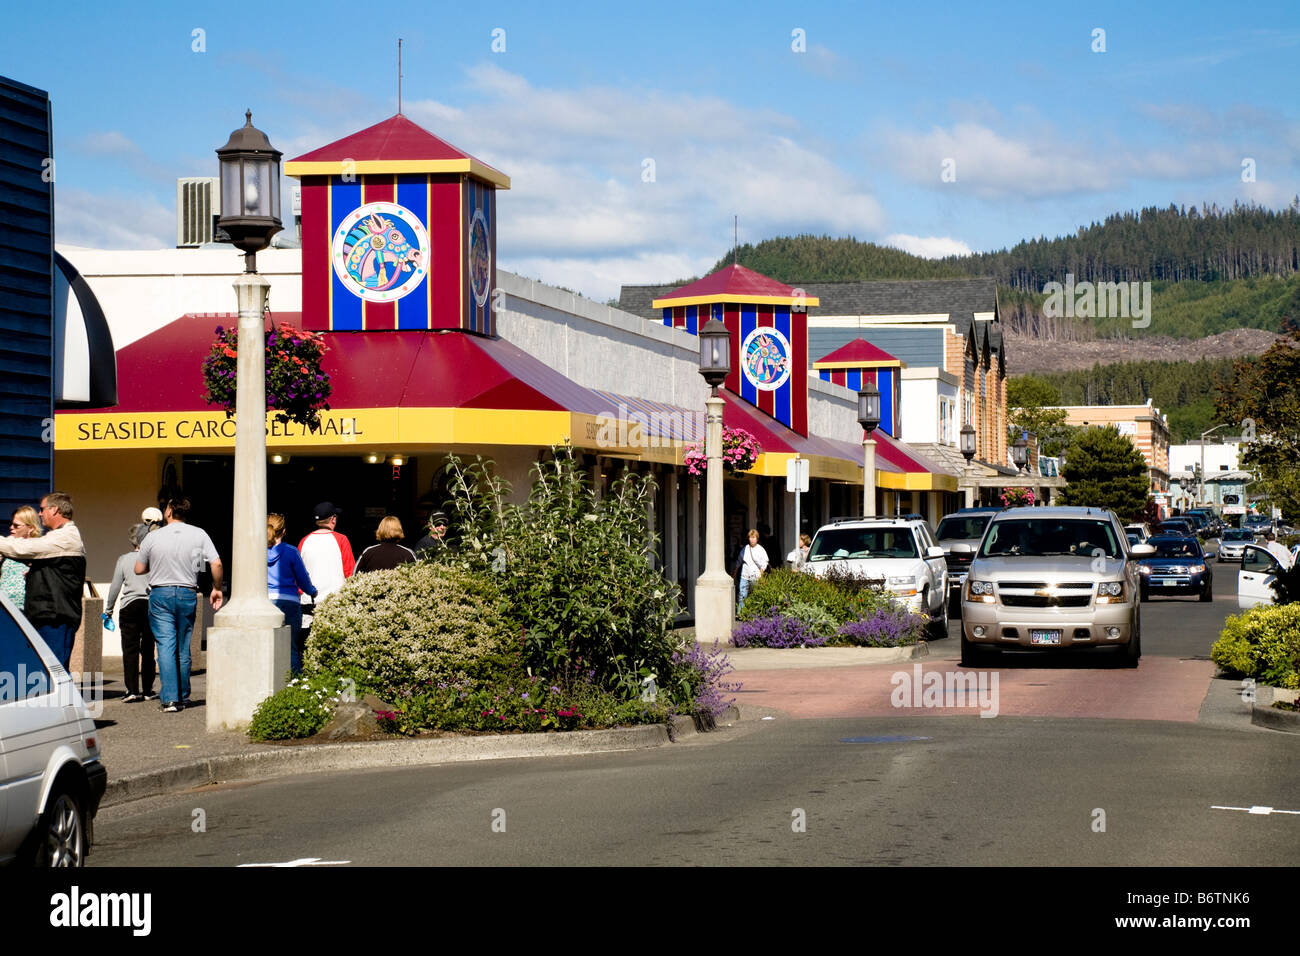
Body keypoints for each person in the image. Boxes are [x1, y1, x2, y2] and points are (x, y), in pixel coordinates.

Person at [135, 497, 222, 713]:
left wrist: (157, 566)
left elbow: (138, 568)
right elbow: (215, 563)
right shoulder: (199, 534)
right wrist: (216, 587)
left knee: (165, 646)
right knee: (183, 647)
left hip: (160, 592)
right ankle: (183, 696)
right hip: (187, 592)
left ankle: (170, 699)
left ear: (169, 512)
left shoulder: (153, 537)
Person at [0, 492, 86, 669]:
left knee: (54, 671)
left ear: (54, 510)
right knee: (43, 672)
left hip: (56, 617)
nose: (40, 514)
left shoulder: (64, 537)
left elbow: (21, 548)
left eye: (42, 509)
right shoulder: (58, 537)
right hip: (47, 615)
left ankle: (63, 699)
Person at [106, 524, 155, 702]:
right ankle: (148, 690)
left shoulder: (124, 559)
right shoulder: (153, 558)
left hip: (129, 606)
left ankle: (132, 690)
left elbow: (115, 587)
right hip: (150, 606)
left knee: (130, 649)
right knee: (149, 649)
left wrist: (108, 610)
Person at [267, 514, 316, 676]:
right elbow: (303, 579)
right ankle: (294, 686)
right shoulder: (291, 551)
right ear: (284, 531)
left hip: (266, 602)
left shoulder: (257, 552)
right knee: (291, 648)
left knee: (267, 647)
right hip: (289, 602)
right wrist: (312, 591)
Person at [1, 506, 42, 608]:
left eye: (16, 525)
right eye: (12, 524)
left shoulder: (40, 547)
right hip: (4, 607)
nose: (11, 527)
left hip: (26, 607)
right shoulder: (6, 546)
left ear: (31, 528)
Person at [735, 528, 769, 613]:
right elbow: (739, 561)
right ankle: (741, 614)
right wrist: (735, 573)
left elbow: (765, 563)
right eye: (751, 537)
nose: (752, 539)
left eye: (754, 537)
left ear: (757, 538)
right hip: (744, 576)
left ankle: (754, 613)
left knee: (755, 595)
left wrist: (761, 574)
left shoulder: (760, 549)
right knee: (742, 596)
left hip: (756, 576)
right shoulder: (745, 549)